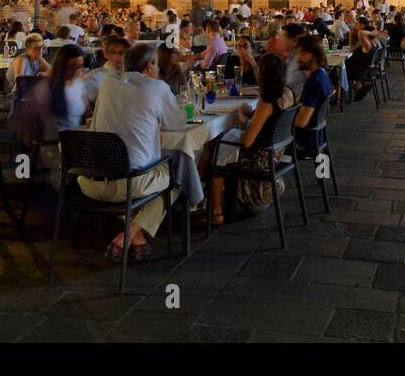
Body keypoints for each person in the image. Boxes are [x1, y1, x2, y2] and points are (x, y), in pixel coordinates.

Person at [84, 43, 184, 260]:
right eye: (156, 64)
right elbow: (176, 124)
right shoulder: (157, 87)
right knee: (176, 179)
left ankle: (136, 239)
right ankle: (129, 234)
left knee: (144, 172)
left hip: (89, 181)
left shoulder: (108, 84)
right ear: (149, 67)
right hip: (128, 184)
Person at [205, 52, 294, 226]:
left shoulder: (267, 101)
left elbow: (247, 142)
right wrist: (250, 116)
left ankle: (216, 212)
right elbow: (272, 120)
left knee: (217, 149)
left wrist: (241, 129)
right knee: (224, 144)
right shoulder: (288, 93)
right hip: (277, 152)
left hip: (261, 158)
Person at [293, 37, 335, 130]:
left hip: (304, 136)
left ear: (316, 56)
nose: (298, 58)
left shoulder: (313, 82)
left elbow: (301, 122)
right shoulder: (323, 74)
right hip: (318, 132)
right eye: (298, 53)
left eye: (303, 53)